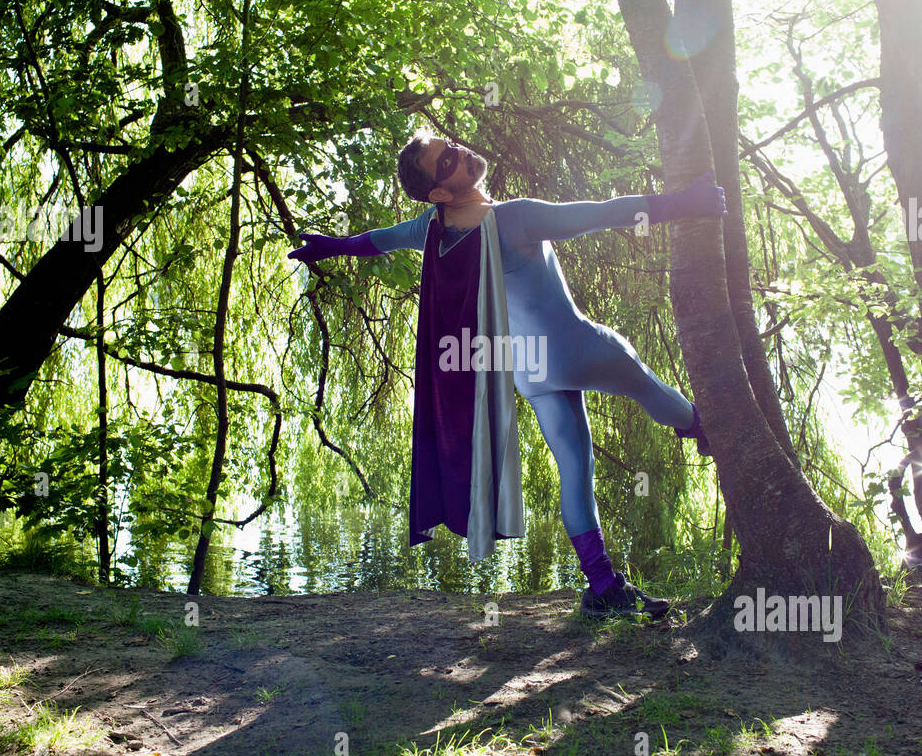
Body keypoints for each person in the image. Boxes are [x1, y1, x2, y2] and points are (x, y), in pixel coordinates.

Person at [289, 129, 725, 619]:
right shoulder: (513, 218)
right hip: (577, 348)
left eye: (450, 145)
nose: (459, 152)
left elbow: (378, 242)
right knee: (644, 383)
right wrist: (684, 204)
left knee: (576, 472)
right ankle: (700, 427)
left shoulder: (430, 229)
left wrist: (333, 247)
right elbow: (606, 213)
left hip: (531, 370)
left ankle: (603, 587)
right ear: (438, 191)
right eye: (447, 158)